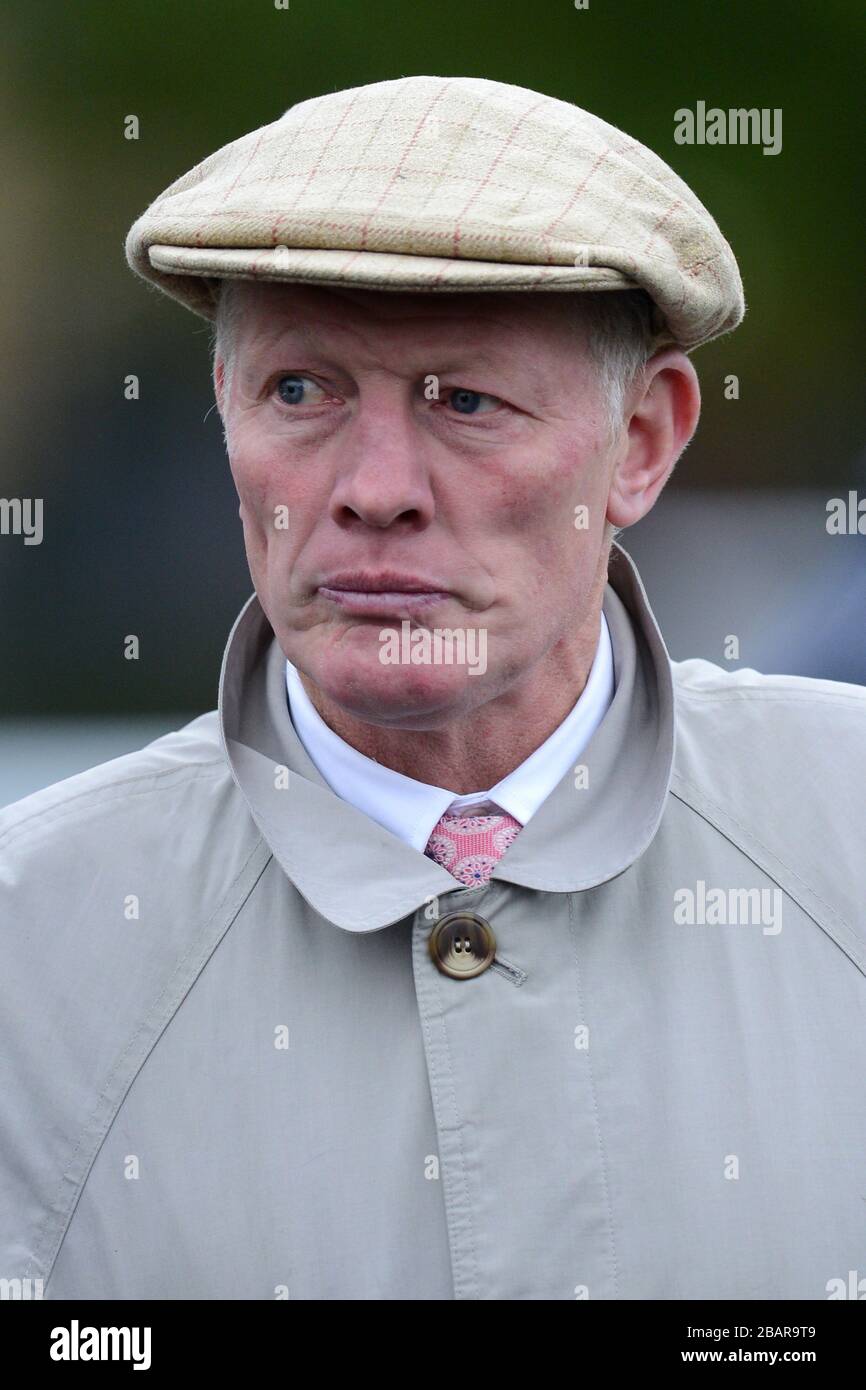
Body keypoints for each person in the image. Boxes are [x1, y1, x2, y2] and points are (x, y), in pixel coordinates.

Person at [2, 75, 864, 1302]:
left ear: (642, 442)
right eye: (300, 391)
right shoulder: (29, 944)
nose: (373, 487)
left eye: (465, 401)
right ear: (222, 413)